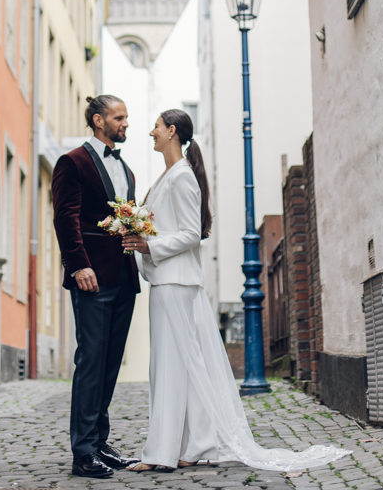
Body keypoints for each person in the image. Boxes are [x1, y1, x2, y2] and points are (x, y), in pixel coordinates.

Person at [122, 108, 352, 474]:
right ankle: (194, 445)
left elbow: (191, 234)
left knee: (169, 366)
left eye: (156, 127)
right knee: (180, 365)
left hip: (176, 281)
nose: (151, 132)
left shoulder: (182, 176)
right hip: (167, 280)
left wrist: (150, 246)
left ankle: (161, 453)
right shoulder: (167, 176)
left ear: (172, 132)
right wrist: (138, 240)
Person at [52, 94, 140, 480]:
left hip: (123, 277)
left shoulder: (128, 170)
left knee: (108, 363)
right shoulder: (72, 162)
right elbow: (64, 218)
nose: (125, 124)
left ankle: (100, 442)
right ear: (98, 120)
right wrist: (78, 265)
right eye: (119, 118)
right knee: (90, 361)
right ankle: (83, 452)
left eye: (126, 118)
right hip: (90, 276)